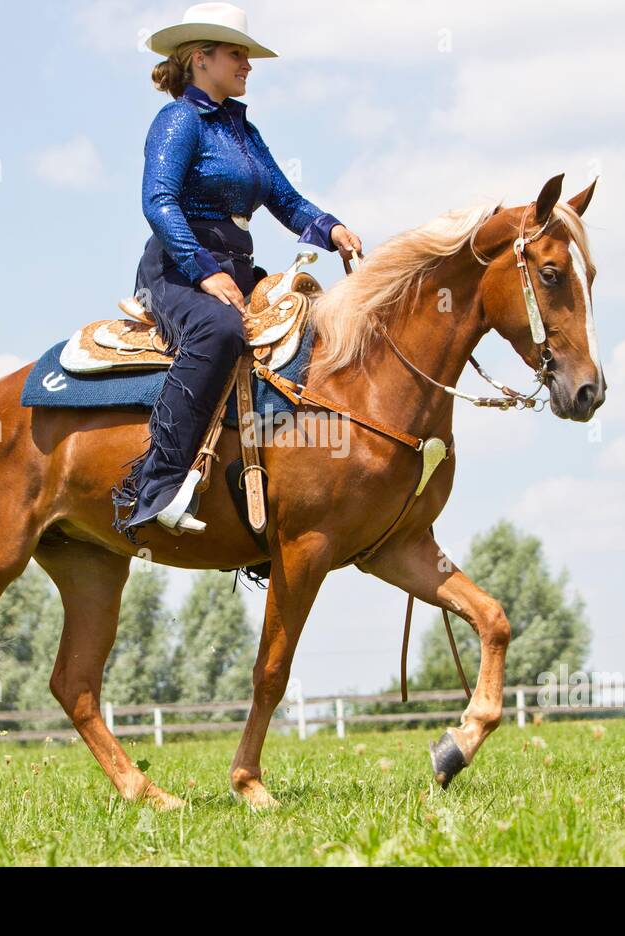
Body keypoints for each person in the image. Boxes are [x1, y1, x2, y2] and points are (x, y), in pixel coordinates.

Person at [112, 2, 362, 540]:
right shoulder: (178, 120)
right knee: (219, 329)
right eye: (237, 54)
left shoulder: (242, 131)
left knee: (312, 327)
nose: (248, 64)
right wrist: (203, 271)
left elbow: (286, 201)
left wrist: (332, 229)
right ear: (200, 59)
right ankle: (157, 487)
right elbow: (158, 202)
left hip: (237, 269)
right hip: (176, 271)